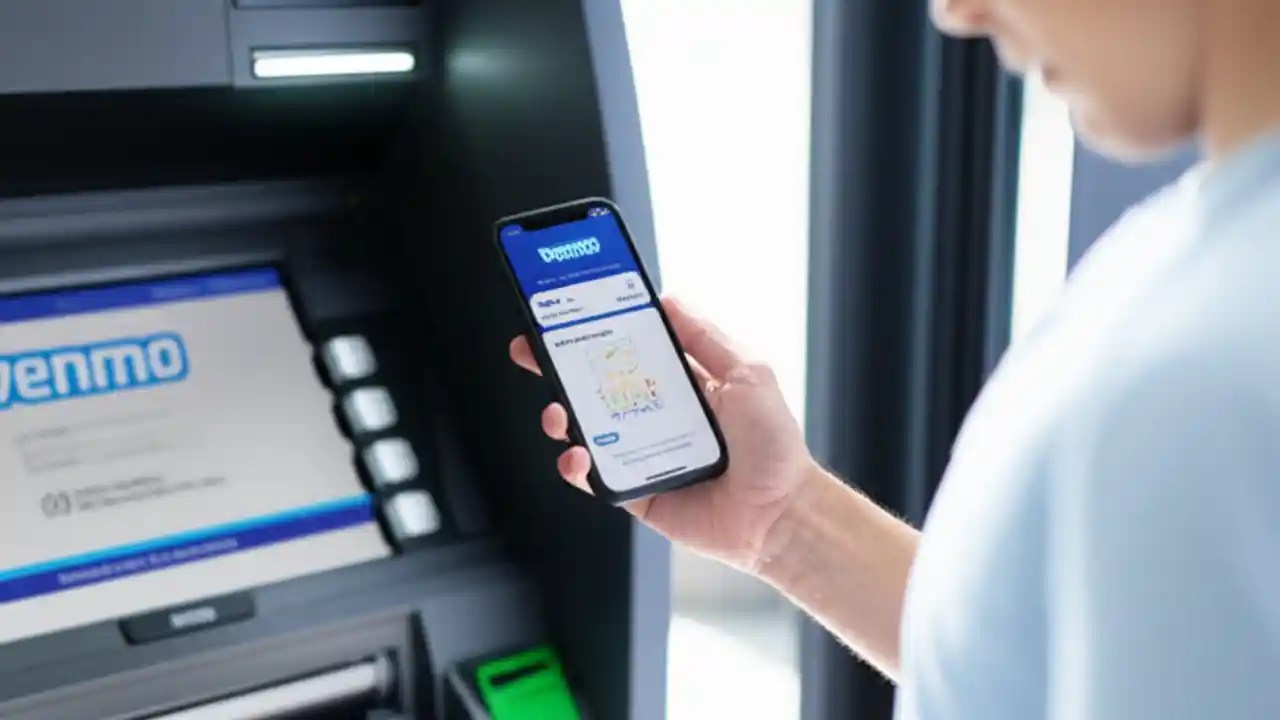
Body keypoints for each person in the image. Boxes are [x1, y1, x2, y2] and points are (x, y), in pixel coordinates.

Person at [511, 0, 1280, 716]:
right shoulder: (1193, 261)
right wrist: (785, 524)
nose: (956, 12)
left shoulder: (1197, 372)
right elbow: (1031, 676)